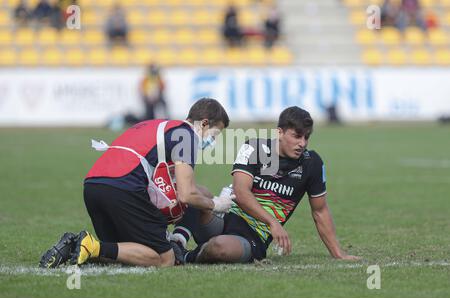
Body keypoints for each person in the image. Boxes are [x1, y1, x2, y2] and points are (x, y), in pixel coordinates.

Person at [39, 98, 235, 268]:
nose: (213, 142)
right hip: (123, 187)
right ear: (204, 123)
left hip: (93, 186)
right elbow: (186, 194)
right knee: (164, 258)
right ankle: (92, 245)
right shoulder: (186, 136)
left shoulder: (157, 124)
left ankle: (75, 246)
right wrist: (216, 203)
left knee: (122, 255)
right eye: (215, 134)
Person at [170, 106, 360, 264]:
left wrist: (338, 253)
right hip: (223, 218)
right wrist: (273, 223)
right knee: (197, 191)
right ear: (279, 132)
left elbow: (320, 211)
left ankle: (185, 256)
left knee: (219, 247)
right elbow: (241, 192)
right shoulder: (255, 147)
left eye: (306, 137)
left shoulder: (312, 163)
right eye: (297, 136)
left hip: (253, 236)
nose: (302, 143)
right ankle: (177, 241)